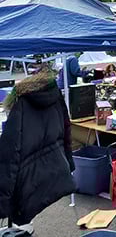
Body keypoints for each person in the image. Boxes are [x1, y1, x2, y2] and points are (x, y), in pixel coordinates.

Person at [0, 68, 76, 228]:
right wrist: (69, 164)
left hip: (31, 180)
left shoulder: (20, 104)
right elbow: (66, 129)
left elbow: (9, 156)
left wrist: (2, 205)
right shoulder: (55, 93)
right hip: (55, 170)